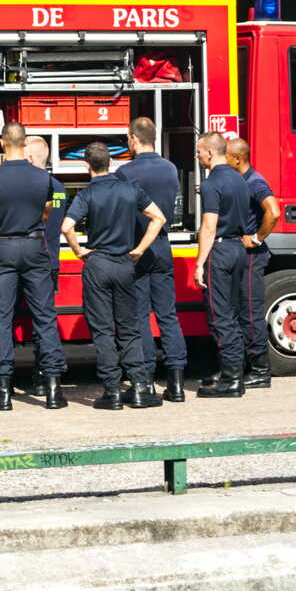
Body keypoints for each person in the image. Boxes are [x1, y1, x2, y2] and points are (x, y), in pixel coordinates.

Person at [62, 142, 167, 410]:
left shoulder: (87, 194)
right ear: (110, 163)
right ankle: (140, 388)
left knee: (103, 330)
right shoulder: (130, 189)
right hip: (125, 264)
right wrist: (140, 249)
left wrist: (78, 251)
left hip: (97, 264)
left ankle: (112, 392)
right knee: (129, 328)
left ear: (87, 165)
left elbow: (66, 226)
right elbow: (159, 218)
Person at [0, 121, 68, 410]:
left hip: (3, 247)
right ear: (24, 142)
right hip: (34, 246)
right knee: (44, 317)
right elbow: (46, 214)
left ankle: (2, 392)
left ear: (2, 143)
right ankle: (53, 390)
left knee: (1, 319)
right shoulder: (44, 178)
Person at [117, 117, 187, 403]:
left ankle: (145, 380)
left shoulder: (124, 172)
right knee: (167, 314)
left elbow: (120, 212)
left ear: (134, 139)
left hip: (137, 248)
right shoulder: (170, 168)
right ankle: (177, 383)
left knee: (139, 316)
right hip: (162, 245)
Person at [193, 131, 251, 399]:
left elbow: (209, 226)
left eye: (199, 151)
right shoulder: (239, 179)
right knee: (234, 314)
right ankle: (233, 372)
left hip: (220, 251)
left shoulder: (211, 184)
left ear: (210, 152)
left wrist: (199, 263)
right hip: (238, 248)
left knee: (220, 317)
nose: (197, 156)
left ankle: (231, 380)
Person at [226, 137, 282, 389]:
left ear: (238, 159)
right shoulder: (241, 181)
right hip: (241, 256)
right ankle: (241, 368)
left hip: (253, 257)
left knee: (250, 313)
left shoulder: (255, 182)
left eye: (227, 157)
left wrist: (257, 238)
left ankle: (260, 371)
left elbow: (274, 211)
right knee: (239, 312)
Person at [25, 135, 68, 397]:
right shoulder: (59, 187)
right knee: (44, 321)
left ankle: (7, 382)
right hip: (50, 260)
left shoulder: (30, 187)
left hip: (29, 258)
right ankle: (45, 376)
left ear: (30, 158)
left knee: (7, 320)